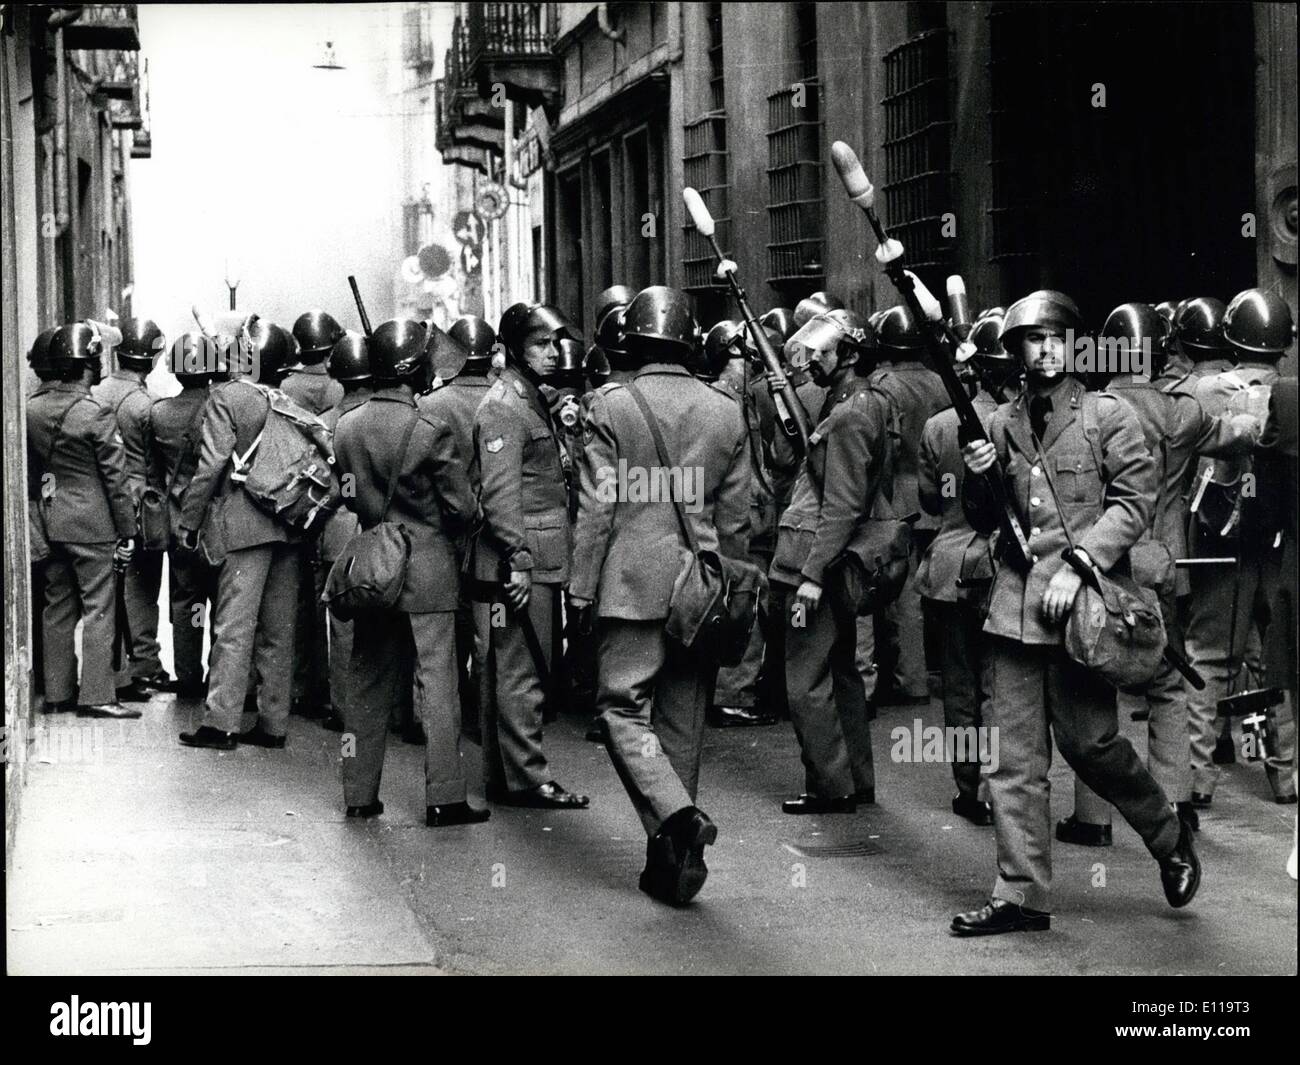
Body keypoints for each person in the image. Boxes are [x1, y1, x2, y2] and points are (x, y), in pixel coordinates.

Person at [952, 289, 1200, 936]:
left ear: (1075, 344)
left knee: (1092, 746)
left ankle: (1168, 836)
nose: (1047, 349)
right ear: (1017, 351)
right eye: (1033, 340)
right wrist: (977, 472)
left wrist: (1081, 562)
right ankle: (1020, 894)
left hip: (1082, 606)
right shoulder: (1003, 422)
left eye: (1057, 337)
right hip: (1014, 606)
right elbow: (987, 515)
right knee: (1013, 758)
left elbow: (1133, 501)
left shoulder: (1106, 415)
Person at [1056, 303, 1263, 844]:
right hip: (1164, 564)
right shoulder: (1181, 411)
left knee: (1095, 680)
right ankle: (1172, 802)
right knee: (1168, 683)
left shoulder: (1091, 410)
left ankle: (1093, 819)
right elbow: (1235, 434)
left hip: (1105, 563)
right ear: (1162, 349)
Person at [570, 285, 750, 904]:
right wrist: (726, 582)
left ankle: (676, 815)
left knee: (621, 710)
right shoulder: (726, 409)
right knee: (682, 723)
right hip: (699, 584)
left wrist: (579, 588)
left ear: (634, 341)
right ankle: (675, 863)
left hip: (631, 582)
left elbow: (598, 508)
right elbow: (739, 517)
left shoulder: (609, 405)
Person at [332, 319, 488, 825]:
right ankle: (444, 796)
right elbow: (461, 509)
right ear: (412, 368)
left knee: (366, 685)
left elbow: (350, 495)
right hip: (428, 570)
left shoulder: (347, 426)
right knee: (439, 684)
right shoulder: (428, 429)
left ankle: (358, 792)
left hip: (373, 566)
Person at [471, 304, 589, 809]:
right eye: (540, 344)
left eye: (552, 344)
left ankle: (507, 773)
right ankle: (527, 776)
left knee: (512, 665)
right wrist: (517, 558)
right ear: (516, 347)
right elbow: (500, 495)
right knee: (525, 668)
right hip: (523, 558)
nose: (550, 352)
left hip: (538, 552)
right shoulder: (504, 406)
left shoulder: (532, 399)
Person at [1184, 289, 1297, 806]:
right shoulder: (1295, 395)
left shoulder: (1205, 391)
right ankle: (1285, 774)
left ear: (1230, 338)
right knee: (1278, 659)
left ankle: (1199, 780)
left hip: (1220, 542)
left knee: (1209, 658)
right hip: (1279, 547)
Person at [770, 309, 885, 815]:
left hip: (814, 562)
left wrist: (811, 578)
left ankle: (830, 785)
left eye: (824, 349)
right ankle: (854, 778)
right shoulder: (855, 402)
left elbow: (841, 505)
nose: (813, 356)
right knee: (840, 674)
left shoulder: (852, 412)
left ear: (850, 356)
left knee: (805, 681)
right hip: (830, 558)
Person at [176, 320, 301, 751]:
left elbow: (210, 466)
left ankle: (221, 723)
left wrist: (189, 523)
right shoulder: (284, 398)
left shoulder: (227, 398)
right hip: (286, 524)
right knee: (277, 630)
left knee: (233, 626)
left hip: (242, 524)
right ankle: (273, 724)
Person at [916, 312, 1015, 827]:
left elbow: (931, 499)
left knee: (959, 687)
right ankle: (1003, 788)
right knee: (1000, 686)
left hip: (951, 564)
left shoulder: (937, 426)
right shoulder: (1017, 422)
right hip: (1003, 567)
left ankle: (967, 787)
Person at [26, 323, 141, 719]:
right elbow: (116, 479)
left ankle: (57, 694)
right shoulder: (94, 413)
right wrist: (128, 530)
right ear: (87, 365)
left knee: (57, 605)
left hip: (50, 518)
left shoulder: (31, 408)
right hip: (92, 525)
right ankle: (97, 696)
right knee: (99, 608)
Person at [867, 305, 951, 704]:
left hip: (895, 498)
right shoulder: (940, 382)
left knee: (901, 599)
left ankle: (909, 680)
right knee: (939, 592)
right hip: (937, 495)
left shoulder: (880, 384)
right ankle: (938, 673)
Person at [419, 315, 496, 745]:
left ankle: (440, 719)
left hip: (445, 530)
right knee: (491, 629)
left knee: (444, 634)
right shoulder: (509, 399)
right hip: (494, 534)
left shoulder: (431, 405)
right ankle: (487, 717)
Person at [702, 320, 778, 728]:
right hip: (736, 521)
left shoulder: (740, 399)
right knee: (741, 601)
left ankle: (732, 689)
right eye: (747, 355)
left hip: (751, 515)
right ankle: (731, 694)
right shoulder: (722, 402)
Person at [91, 316, 172, 698]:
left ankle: (113, 665)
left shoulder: (95, 392)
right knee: (141, 586)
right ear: (154, 359)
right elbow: (157, 465)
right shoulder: (148, 406)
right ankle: (144, 664)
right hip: (140, 502)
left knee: (104, 588)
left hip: (99, 498)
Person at [148, 331, 227, 700]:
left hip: (179, 521)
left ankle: (188, 676)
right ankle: (219, 675)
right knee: (222, 602)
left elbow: (155, 472)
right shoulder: (222, 407)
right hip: (217, 520)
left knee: (187, 600)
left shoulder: (159, 414)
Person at [283, 310, 346, 721]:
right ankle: (335, 692)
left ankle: (303, 685)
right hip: (336, 505)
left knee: (300, 604)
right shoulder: (340, 389)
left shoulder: (284, 385)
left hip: (297, 502)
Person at [316, 331, 374, 734]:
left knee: (342, 625)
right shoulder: (384, 416)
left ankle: (343, 707)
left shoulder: (323, 423)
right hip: (380, 530)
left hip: (335, 531)